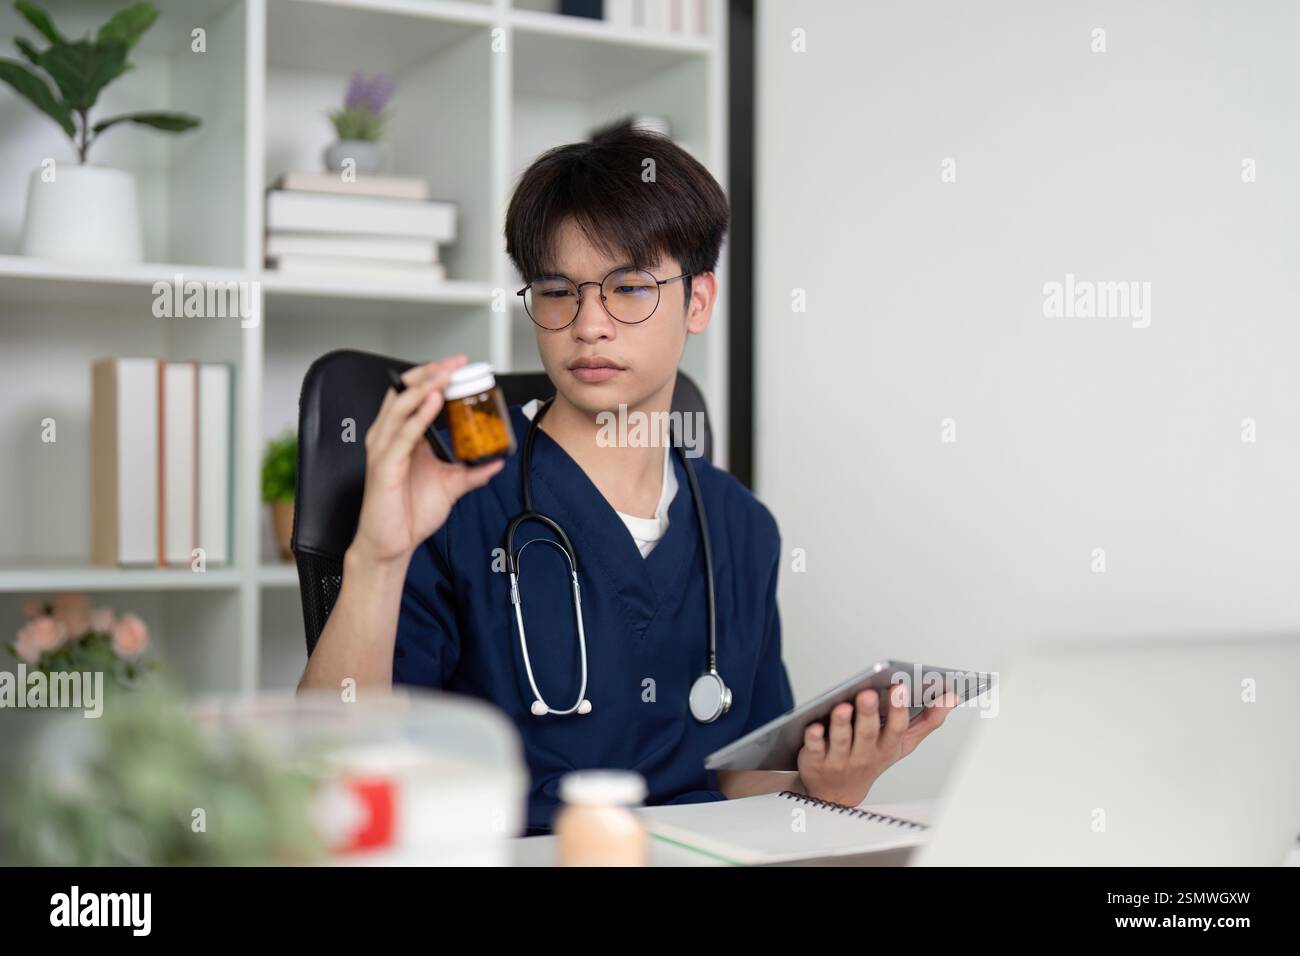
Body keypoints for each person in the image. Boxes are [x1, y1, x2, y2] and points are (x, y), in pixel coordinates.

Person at [299, 125, 955, 831]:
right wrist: (378, 557)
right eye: (557, 291)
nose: (588, 325)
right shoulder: (452, 487)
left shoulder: (740, 526)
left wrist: (827, 783)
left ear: (697, 302)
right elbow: (326, 774)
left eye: (629, 288)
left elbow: (745, 774)